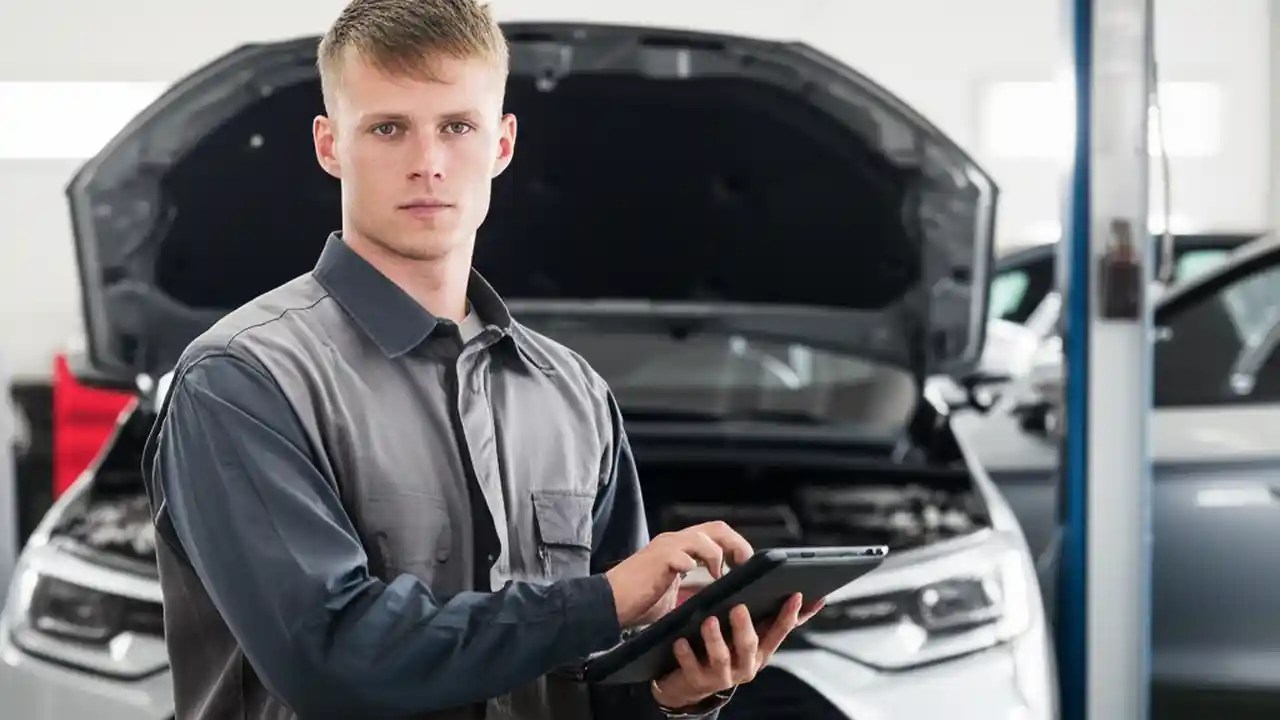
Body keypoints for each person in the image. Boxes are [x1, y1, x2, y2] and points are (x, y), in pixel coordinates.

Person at [141, 1, 824, 719]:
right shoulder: (239, 380)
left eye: (456, 127)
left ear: (501, 144)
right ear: (329, 144)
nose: (428, 163)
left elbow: (600, 680)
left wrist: (678, 691)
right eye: (387, 128)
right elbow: (328, 656)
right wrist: (605, 600)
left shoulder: (574, 397)